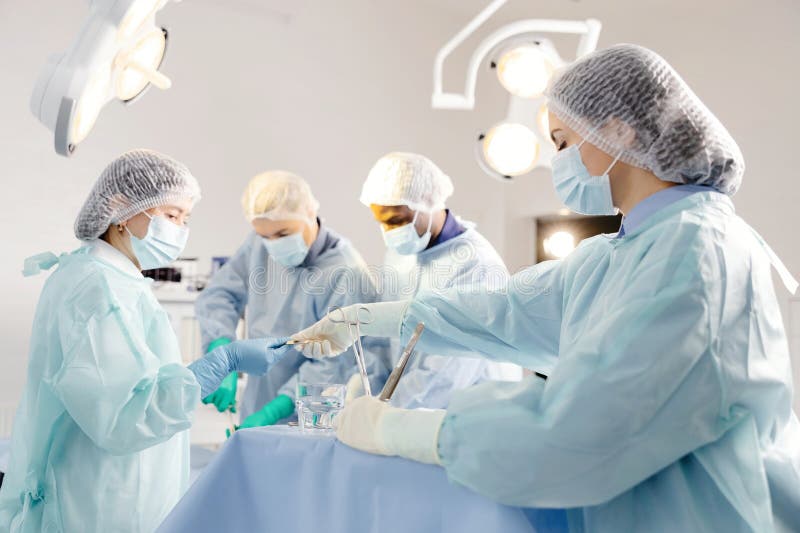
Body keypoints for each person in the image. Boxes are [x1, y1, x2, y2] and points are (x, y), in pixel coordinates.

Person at [291, 45, 800, 532]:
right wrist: (374, 318)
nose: (555, 162)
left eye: (560, 143)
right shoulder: (620, 253)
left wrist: (400, 431)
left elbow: (581, 431)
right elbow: (506, 310)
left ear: (619, 131)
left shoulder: (696, 252)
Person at [0, 150, 290, 533]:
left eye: (186, 219)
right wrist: (219, 365)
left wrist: (195, 379)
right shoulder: (96, 287)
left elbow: (128, 387)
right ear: (121, 207)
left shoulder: (116, 279)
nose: (181, 229)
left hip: (114, 496)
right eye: (171, 215)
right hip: (95, 504)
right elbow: (123, 416)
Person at [195, 170, 383, 429]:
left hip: (312, 413)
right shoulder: (259, 243)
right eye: (264, 236)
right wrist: (221, 350)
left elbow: (335, 363)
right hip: (258, 400)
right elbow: (220, 294)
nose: (272, 245)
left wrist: (276, 410)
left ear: (309, 213)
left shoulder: (346, 273)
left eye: (283, 234)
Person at [341, 152, 520, 408]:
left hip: (467, 413)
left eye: (397, 221)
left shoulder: (475, 265)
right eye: (382, 223)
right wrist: (362, 386)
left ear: (429, 202)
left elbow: (446, 374)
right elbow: (385, 333)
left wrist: (385, 412)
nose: (390, 232)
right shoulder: (400, 254)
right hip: (410, 411)